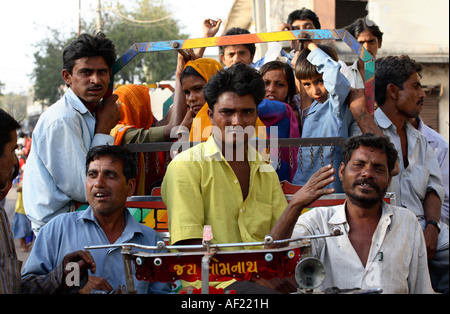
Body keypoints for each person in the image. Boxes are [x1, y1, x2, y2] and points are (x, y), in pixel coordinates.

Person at [162, 64, 336, 293]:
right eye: (227, 112)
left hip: (259, 281)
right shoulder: (185, 167)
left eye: (246, 112)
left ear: (256, 115)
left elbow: (274, 245)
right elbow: (193, 252)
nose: (237, 121)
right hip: (209, 285)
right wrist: (255, 279)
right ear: (211, 116)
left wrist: (296, 205)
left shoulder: (264, 170)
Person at [291, 133, 435, 294]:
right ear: (342, 171)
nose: (367, 173)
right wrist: (295, 205)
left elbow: (422, 288)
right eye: (359, 165)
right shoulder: (317, 221)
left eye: (378, 168)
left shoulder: (407, 222)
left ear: (388, 180)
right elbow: (275, 260)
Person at [354, 55, 448, 293]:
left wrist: (433, 228)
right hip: (385, 231)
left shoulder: (420, 139)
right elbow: (385, 168)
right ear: (393, 91)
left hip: (425, 227)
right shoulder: (363, 128)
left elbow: (434, 189)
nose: (423, 94)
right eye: (415, 86)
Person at [21, 145, 172, 294]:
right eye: (92, 175)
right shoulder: (57, 230)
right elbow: (25, 287)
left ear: (130, 186)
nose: (98, 183)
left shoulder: (150, 242)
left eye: (110, 175)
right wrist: (70, 285)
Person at [23, 32, 121, 234]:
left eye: (102, 72)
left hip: (76, 222)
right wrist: (103, 129)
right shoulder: (63, 118)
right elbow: (86, 187)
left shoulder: (89, 113)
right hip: (59, 229)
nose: (95, 80)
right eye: (86, 72)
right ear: (67, 77)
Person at [0, 108, 95, 294]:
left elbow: (16, 287)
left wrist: (65, 276)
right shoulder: (56, 227)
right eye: (12, 150)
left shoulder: (1, 215)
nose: (15, 161)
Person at [291, 41, 353, 192]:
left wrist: (311, 46)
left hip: (330, 190)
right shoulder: (314, 108)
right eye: (307, 85)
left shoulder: (336, 103)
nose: (315, 91)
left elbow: (331, 70)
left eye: (320, 81)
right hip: (307, 188)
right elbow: (305, 161)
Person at [258, 60, 300, 181]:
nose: (271, 89)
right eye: (266, 83)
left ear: (289, 89)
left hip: (279, 175)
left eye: (279, 84)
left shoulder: (284, 109)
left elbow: (256, 106)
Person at [409, 116, 449, 226]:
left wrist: (431, 228)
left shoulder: (439, 146)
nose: (422, 97)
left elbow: (445, 202)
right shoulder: (371, 136)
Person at [342, 17, 383, 89]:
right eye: (361, 43)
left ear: (379, 42)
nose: (366, 48)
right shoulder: (344, 75)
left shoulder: (387, 74)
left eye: (371, 41)